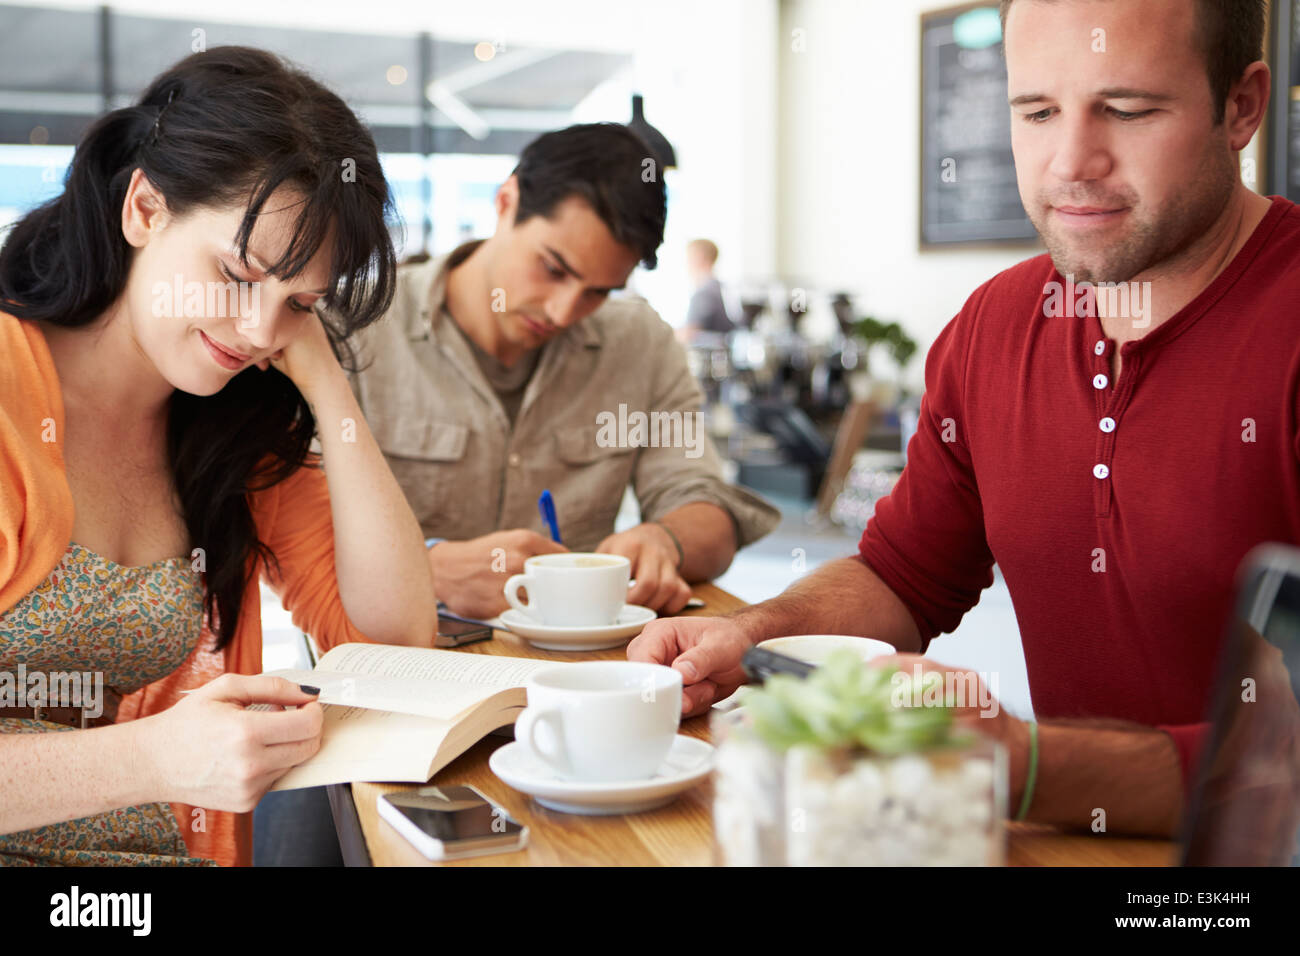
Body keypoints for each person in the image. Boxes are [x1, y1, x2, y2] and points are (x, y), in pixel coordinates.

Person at [631, 0, 1299, 837]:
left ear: (1241, 107)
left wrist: (1020, 765)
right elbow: (902, 576)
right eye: (1038, 112)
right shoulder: (995, 325)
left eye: (1127, 110)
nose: (1071, 163)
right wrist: (751, 635)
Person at [0, 47, 438, 866]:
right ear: (144, 209)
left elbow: (396, 643)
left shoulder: (226, 430)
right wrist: (154, 759)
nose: (260, 331)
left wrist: (325, 382)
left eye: (300, 303)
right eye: (236, 275)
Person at [346, 123, 779, 621]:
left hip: (579, 669)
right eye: (553, 268)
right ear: (506, 201)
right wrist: (424, 566)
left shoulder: (640, 342)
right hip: (396, 664)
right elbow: (288, 537)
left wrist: (667, 539)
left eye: (598, 291)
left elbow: (708, 508)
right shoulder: (357, 326)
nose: (563, 311)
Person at [680, 238, 734, 342]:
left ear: (699, 258)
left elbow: (689, 333)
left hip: (711, 355)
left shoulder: (703, 294)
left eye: (689, 258)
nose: (686, 264)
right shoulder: (721, 288)